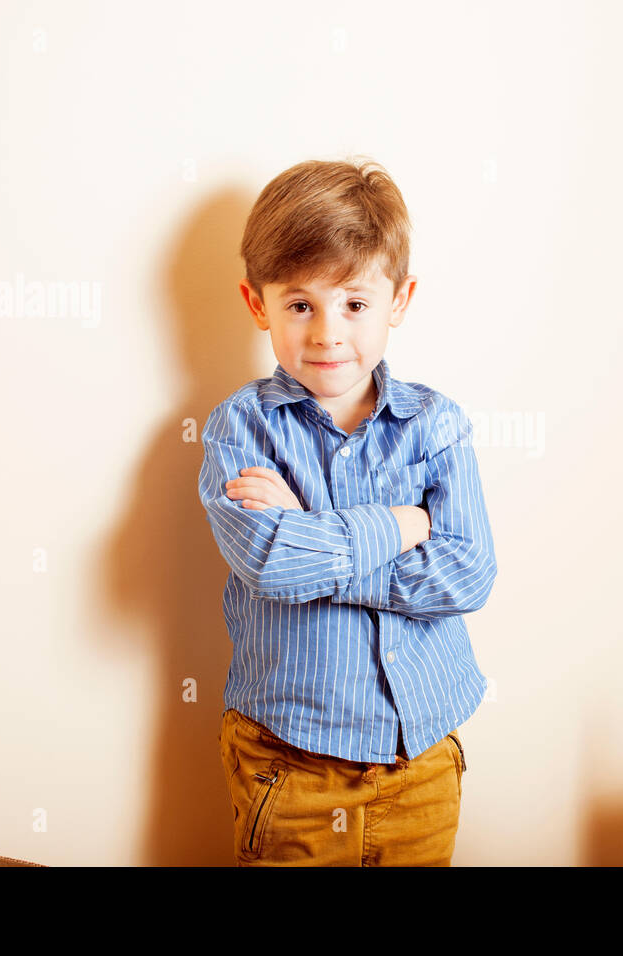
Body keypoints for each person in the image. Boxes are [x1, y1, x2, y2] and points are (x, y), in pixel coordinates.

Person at [198, 156, 497, 865]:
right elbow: (272, 563)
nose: (329, 333)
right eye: (301, 304)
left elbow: (467, 574)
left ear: (399, 300)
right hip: (292, 767)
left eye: (355, 304)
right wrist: (399, 525)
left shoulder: (437, 425)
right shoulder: (239, 431)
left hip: (419, 763)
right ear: (256, 303)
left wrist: (311, 533)